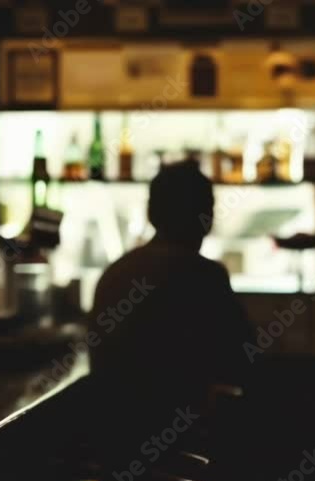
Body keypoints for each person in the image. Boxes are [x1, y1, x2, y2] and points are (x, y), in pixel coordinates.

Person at [88, 161, 254, 437]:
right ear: (208, 218)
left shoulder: (114, 273)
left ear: (151, 214)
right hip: (179, 440)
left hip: (112, 438)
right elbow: (242, 359)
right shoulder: (205, 276)